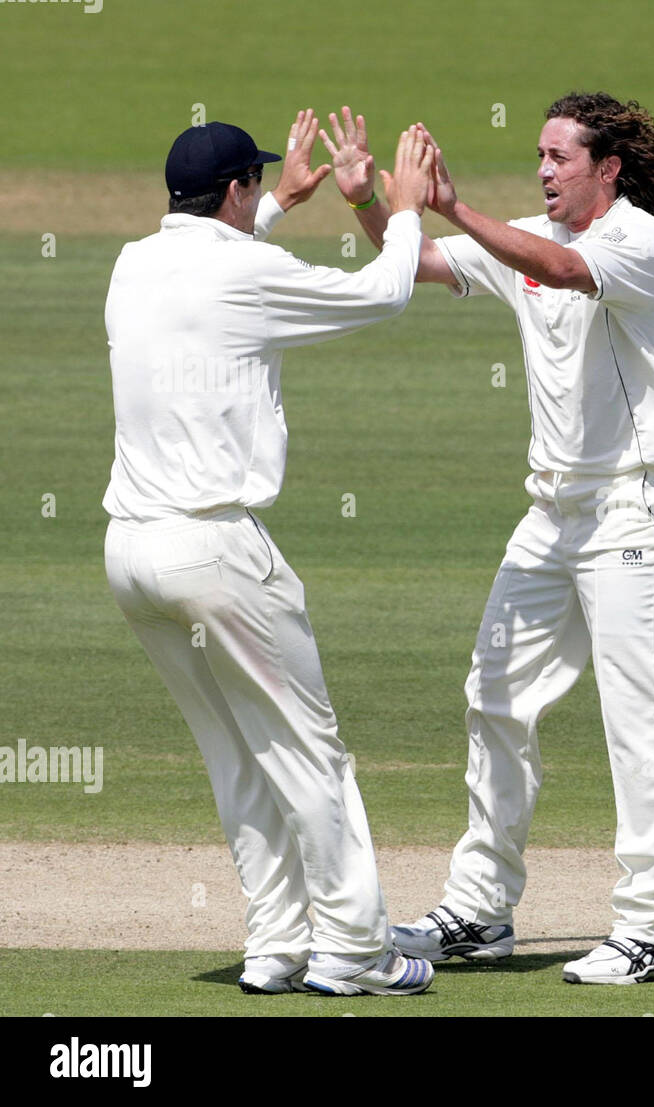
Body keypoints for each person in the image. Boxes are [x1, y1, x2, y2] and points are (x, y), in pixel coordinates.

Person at [323, 93, 654, 984]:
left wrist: (454, 203)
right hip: (551, 510)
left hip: (634, 501)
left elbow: (566, 269)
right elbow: (417, 258)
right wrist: (363, 201)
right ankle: (480, 909)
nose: (543, 170)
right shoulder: (523, 244)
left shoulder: (638, 243)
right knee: (494, 693)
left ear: (607, 168)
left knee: (637, 707)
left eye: (560, 157)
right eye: (538, 156)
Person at [103, 112, 437, 997]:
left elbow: (214, 275)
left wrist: (281, 201)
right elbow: (382, 295)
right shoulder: (243, 268)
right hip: (214, 548)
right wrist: (401, 210)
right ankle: (356, 951)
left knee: (236, 755)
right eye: (255, 184)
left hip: (131, 554)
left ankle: (276, 944)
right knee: (306, 750)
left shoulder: (134, 263)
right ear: (233, 192)